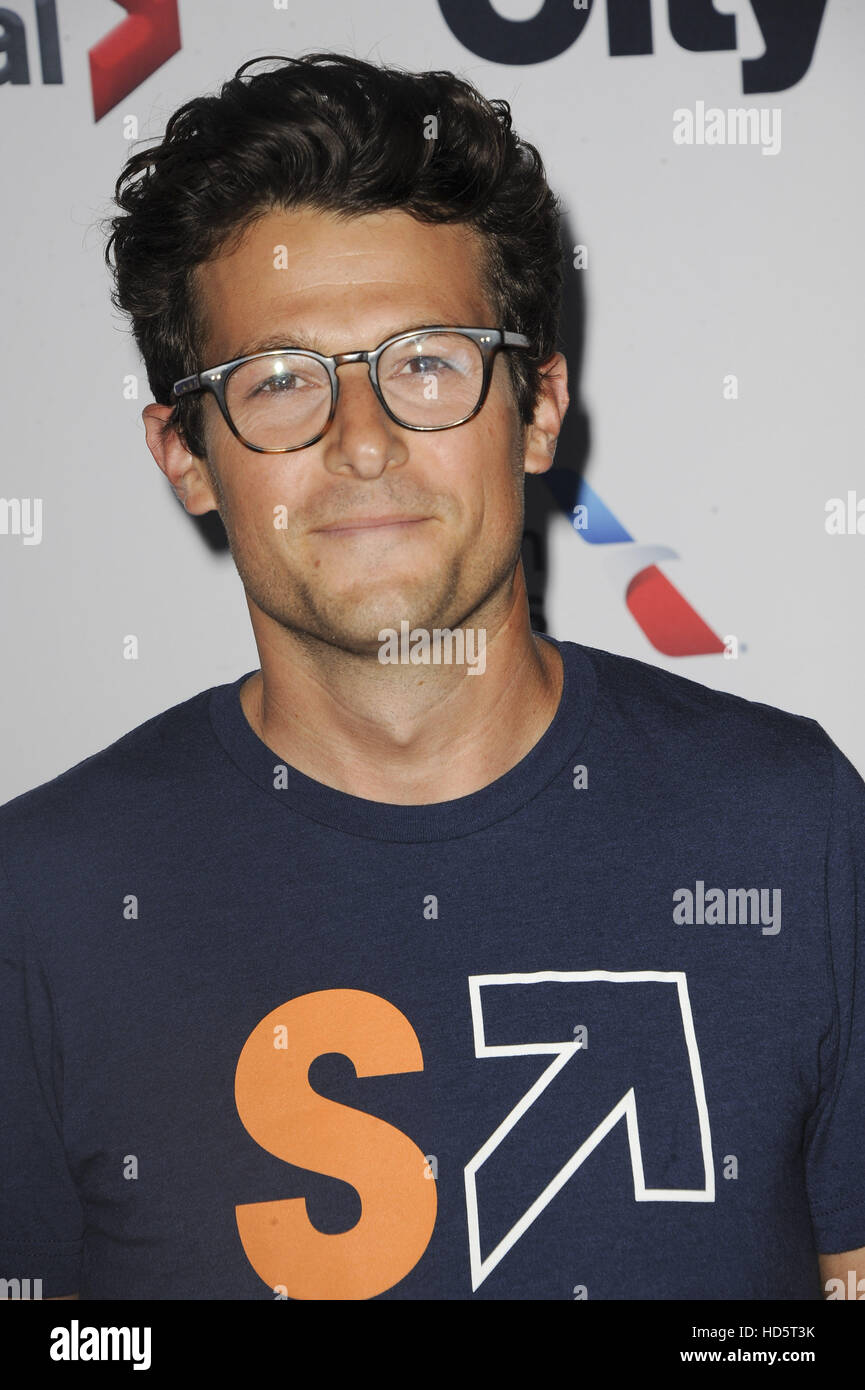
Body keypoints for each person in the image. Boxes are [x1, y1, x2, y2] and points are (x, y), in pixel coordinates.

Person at [1, 51, 863, 1302]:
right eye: (281, 379)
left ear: (539, 408)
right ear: (185, 455)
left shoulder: (792, 829)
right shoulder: (42, 906)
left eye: (426, 362)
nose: (360, 443)